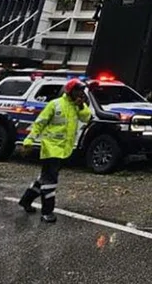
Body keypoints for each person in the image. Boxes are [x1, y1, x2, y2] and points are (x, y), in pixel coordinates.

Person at [18, 78, 91, 223]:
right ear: (70, 91)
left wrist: (82, 106)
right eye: (78, 91)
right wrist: (29, 140)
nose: (80, 94)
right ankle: (47, 212)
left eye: (82, 91)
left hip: (65, 149)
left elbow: (86, 118)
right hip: (51, 148)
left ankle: (26, 200)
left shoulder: (77, 106)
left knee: (44, 178)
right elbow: (39, 123)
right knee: (51, 181)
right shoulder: (55, 104)